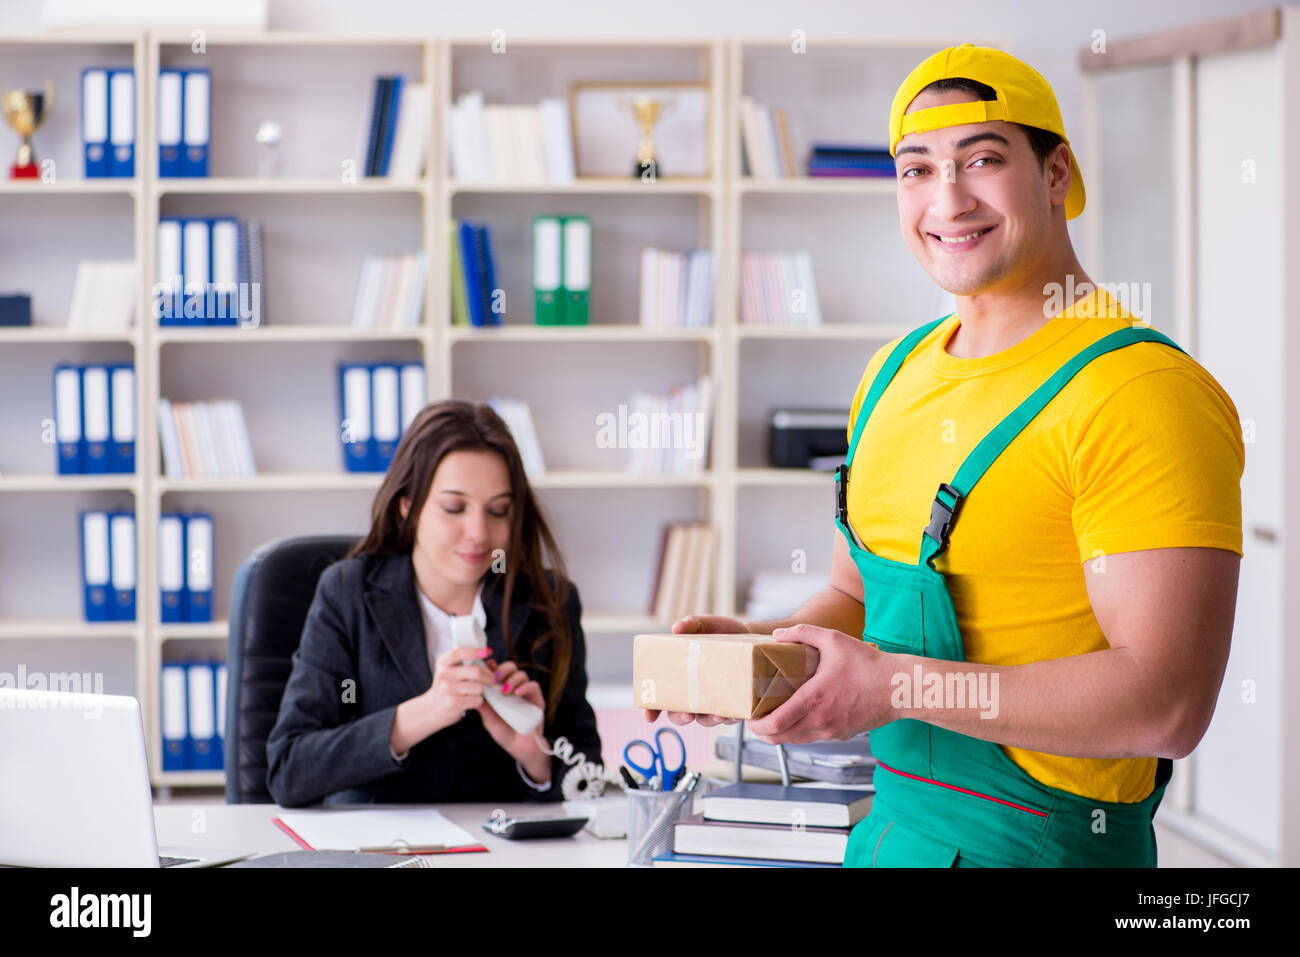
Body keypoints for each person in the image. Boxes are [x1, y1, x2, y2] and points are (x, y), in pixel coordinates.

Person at [647, 44, 1243, 867]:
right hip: (890, 838)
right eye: (916, 170)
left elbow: (1166, 702)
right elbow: (854, 598)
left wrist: (895, 686)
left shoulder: (1139, 391)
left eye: (983, 160)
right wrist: (759, 657)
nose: (948, 199)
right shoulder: (889, 377)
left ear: (1057, 172)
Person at [267, 400, 601, 807]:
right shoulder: (348, 592)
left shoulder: (550, 603)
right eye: (454, 507)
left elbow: (589, 778)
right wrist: (423, 714)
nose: (479, 533)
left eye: (498, 510)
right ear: (408, 506)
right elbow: (289, 769)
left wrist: (534, 756)